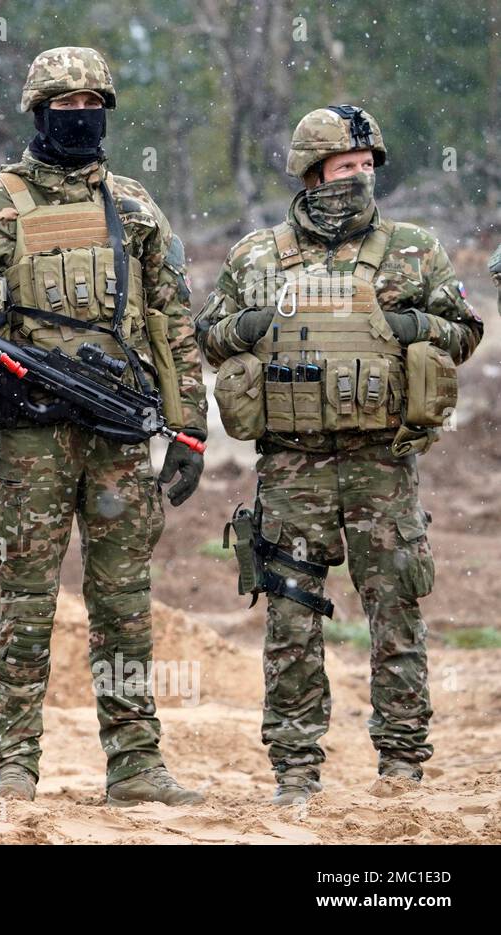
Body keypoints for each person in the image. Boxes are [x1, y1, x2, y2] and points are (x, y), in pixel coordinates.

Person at [194, 105, 482, 804]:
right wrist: (248, 325)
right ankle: (295, 769)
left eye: (365, 168)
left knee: (396, 608)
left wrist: (414, 324)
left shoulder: (412, 249)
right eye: (344, 168)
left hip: (383, 463)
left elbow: (464, 330)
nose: (357, 179)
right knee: (290, 618)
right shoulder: (258, 256)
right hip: (292, 468)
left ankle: (402, 763)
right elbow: (208, 336)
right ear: (312, 173)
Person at [0, 48, 208, 806]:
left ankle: (135, 763)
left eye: (93, 100)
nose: (80, 113)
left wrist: (188, 427)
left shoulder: (133, 207)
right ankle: (13, 763)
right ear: (37, 112)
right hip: (31, 436)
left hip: (120, 434)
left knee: (124, 602)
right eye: (64, 102)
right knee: (25, 601)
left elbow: (172, 322)